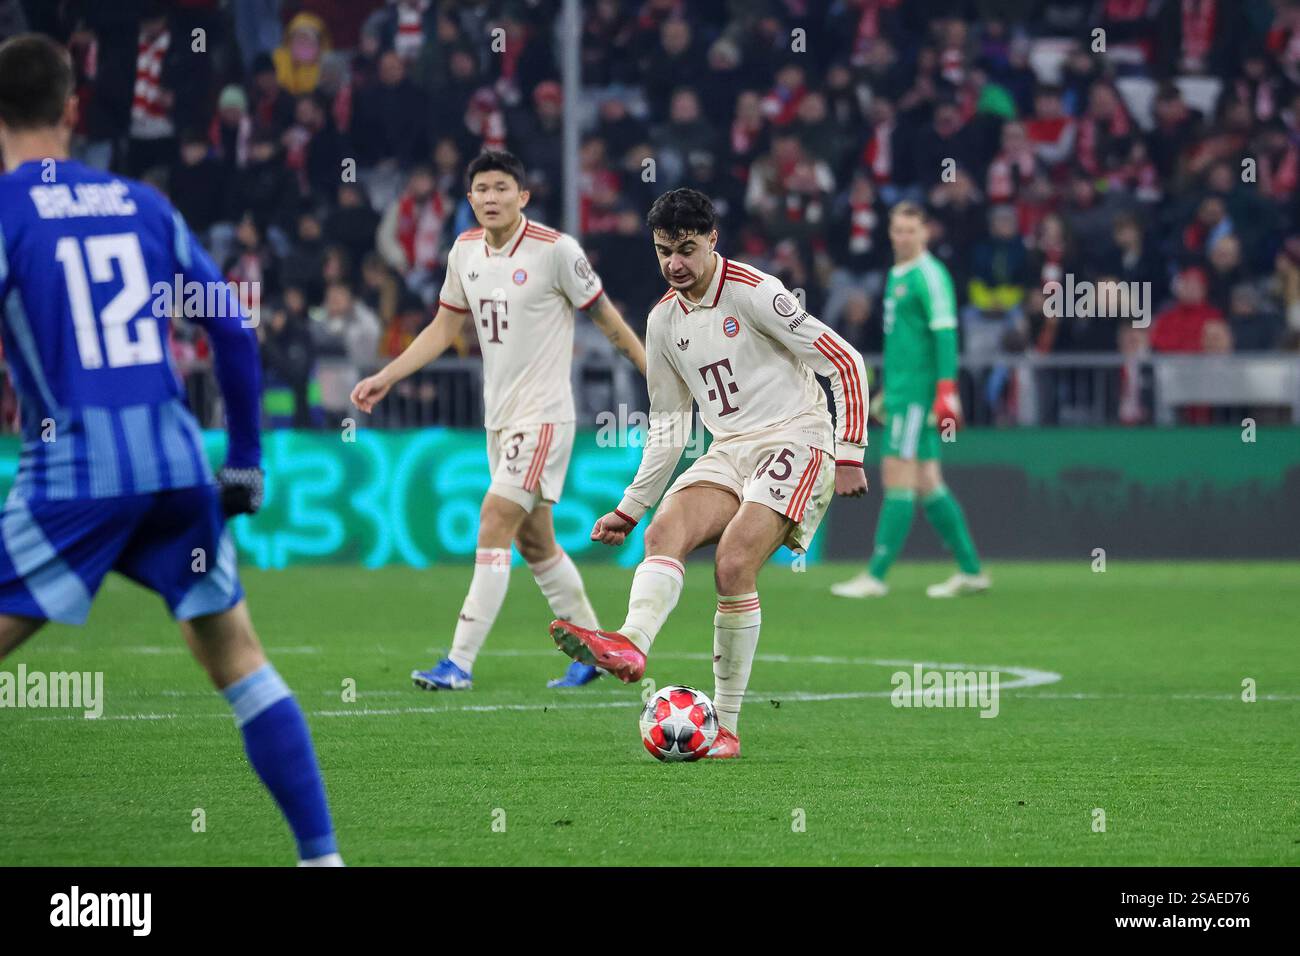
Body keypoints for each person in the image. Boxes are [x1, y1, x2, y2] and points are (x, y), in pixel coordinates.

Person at [0, 34, 340, 865]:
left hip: (74, 472)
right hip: (177, 467)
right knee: (240, 660)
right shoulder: (141, 205)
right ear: (73, 109)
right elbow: (230, 323)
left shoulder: (8, 213)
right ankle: (323, 859)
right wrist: (246, 460)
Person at [548, 188, 870, 758]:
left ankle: (725, 725)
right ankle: (629, 643)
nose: (674, 263)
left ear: (712, 241)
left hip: (797, 437)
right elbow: (670, 426)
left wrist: (850, 452)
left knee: (733, 562)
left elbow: (845, 360)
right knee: (662, 531)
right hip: (728, 449)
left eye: (687, 249)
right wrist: (631, 505)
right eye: (663, 250)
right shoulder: (663, 321)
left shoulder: (756, 294)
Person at [351, 150, 646, 690]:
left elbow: (606, 320)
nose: (491, 198)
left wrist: (655, 372)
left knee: (492, 521)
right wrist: (387, 375)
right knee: (536, 544)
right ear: (470, 200)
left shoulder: (557, 252)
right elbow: (444, 330)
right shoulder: (463, 251)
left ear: (523, 196)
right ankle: (594, 653)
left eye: (502, 188)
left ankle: (459, 662)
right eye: (482, 190)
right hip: (500, 419)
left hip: (544, 418)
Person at [831, 202, 988, 600]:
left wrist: (946, 392)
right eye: (897, 230)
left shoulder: (929, 276)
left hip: (918, 397)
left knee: (896, 477)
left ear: (925, 233)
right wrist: (887, 391)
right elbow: (905, 342)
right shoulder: (897, 274)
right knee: (927, 482)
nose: (903, 237)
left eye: (910, 230)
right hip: (902, 392)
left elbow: (945, 335)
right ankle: (970, 570)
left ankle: (876, 575)